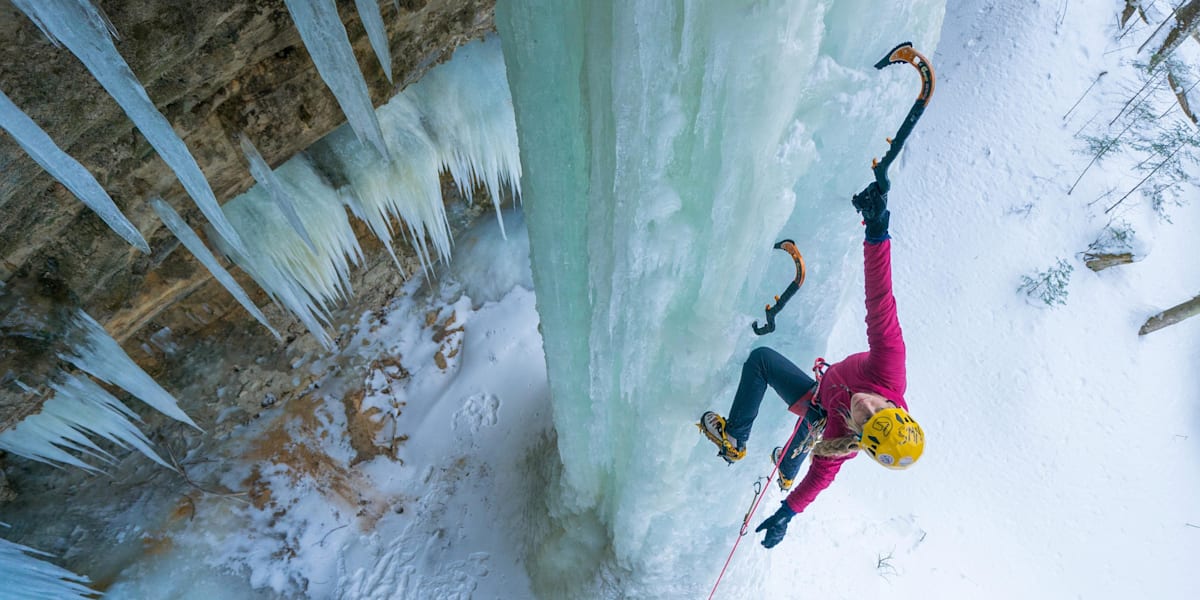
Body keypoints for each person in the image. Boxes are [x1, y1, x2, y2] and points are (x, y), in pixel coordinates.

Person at [700, 180, 925, 549]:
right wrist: (877, 233)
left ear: (862, 438)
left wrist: (788, 512)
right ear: (894, 405)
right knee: (798, 422)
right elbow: (880, 300)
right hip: (819, 398)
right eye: (879, 409)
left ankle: (737, 440)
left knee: (775, 379)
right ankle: (778, 465)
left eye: (866, 422)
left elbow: (822, 476)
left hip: (819, 405)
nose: (865, 407)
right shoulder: (888, 366)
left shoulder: (846, 438)